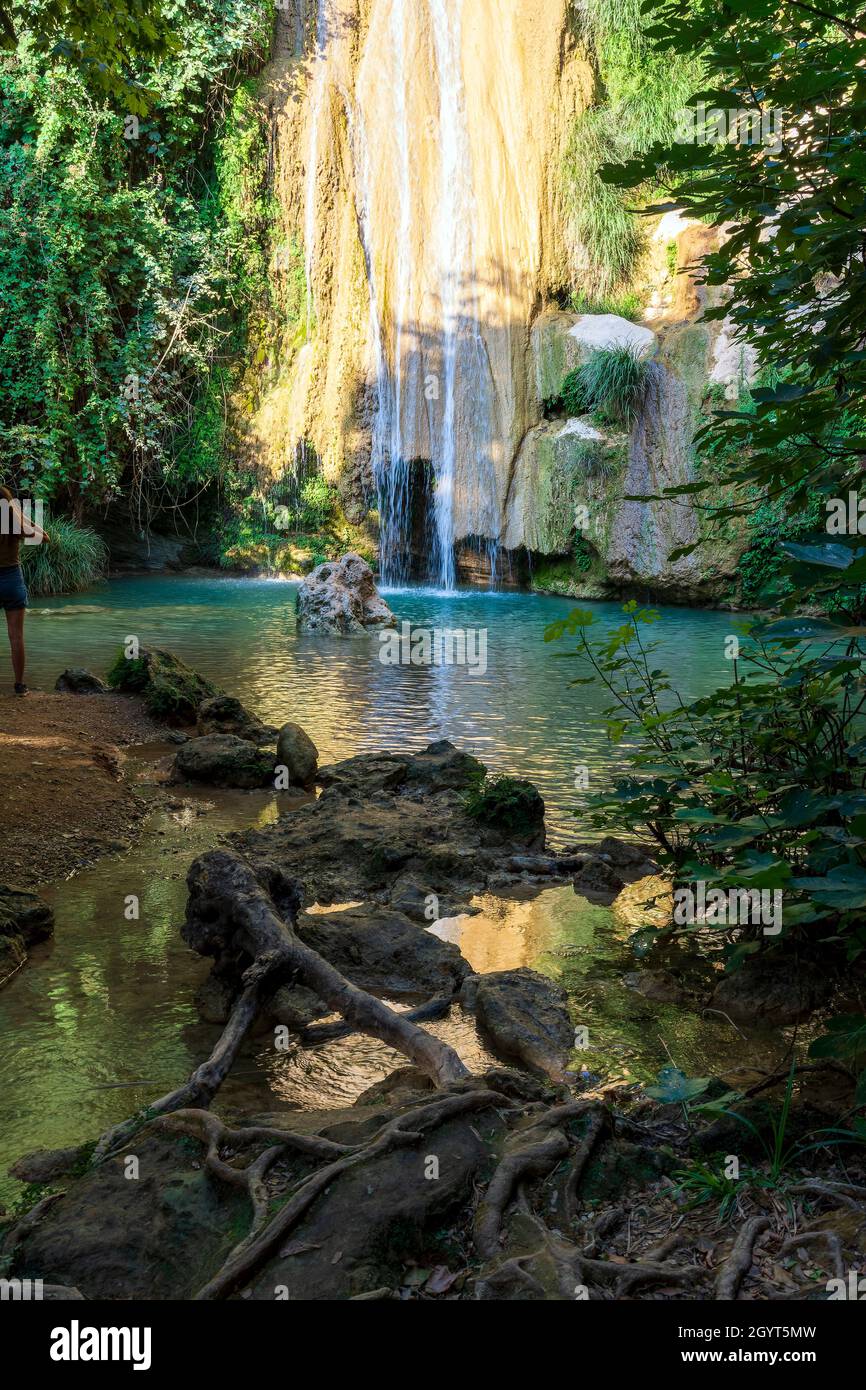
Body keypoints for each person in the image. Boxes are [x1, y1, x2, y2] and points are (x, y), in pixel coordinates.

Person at [0, 484, 49, 695]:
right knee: (16, 637)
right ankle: (19, 686)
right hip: (12, 579)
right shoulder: (13, 523)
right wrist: (17, 513)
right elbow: (43, 537)